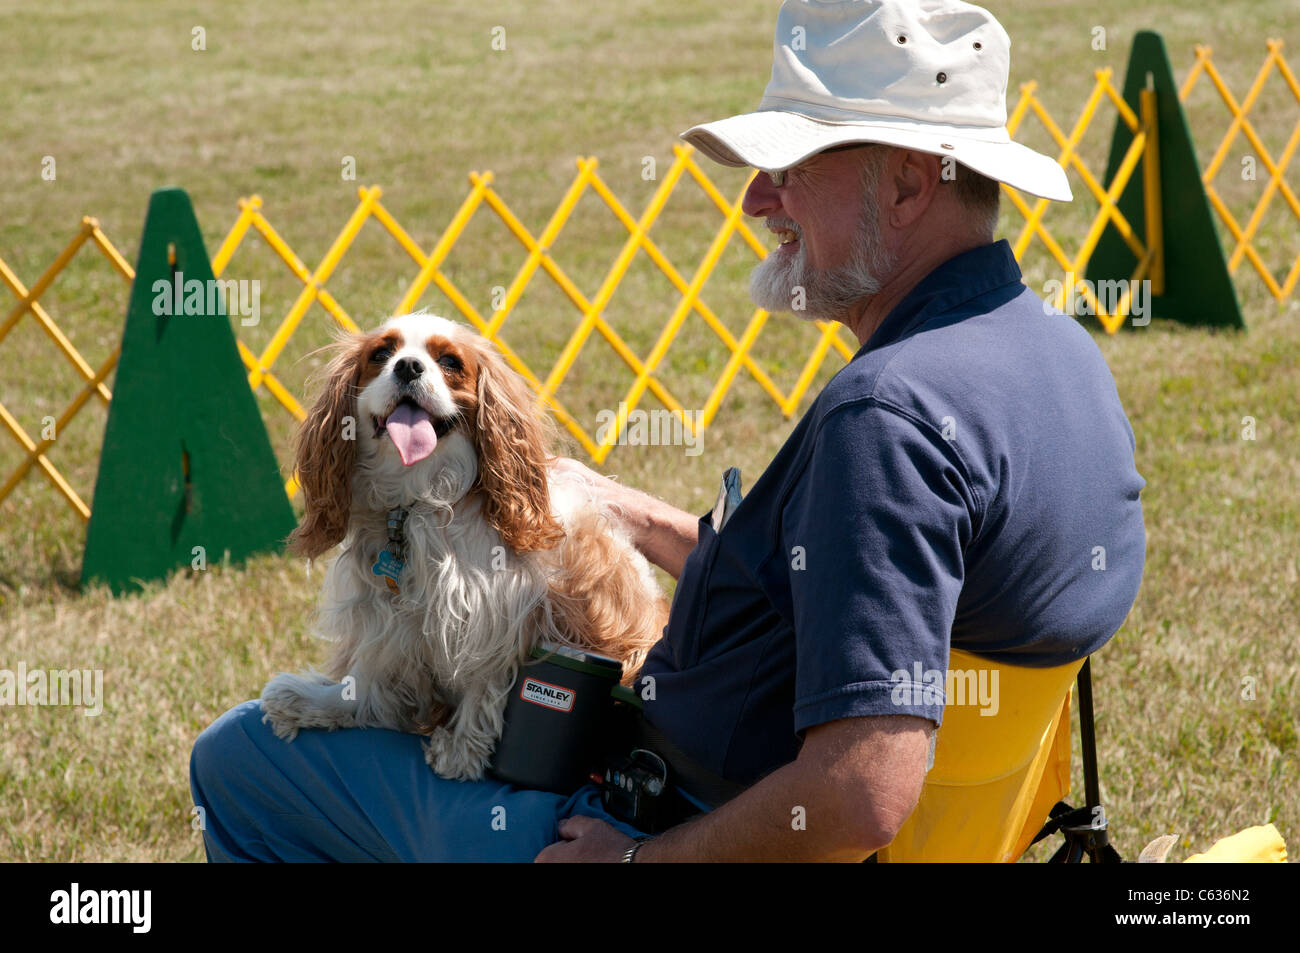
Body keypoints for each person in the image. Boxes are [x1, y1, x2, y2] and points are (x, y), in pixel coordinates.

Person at [190, 0, 1145, 862]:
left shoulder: (886, 421)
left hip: (646, 814)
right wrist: (626, 510)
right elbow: (835, 585)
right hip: (809, 803)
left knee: (238, 760)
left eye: (789, 168)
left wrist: (636, 862)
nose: (756, 200)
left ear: (903, 184)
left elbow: (861, 792)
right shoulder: (1057, 357)